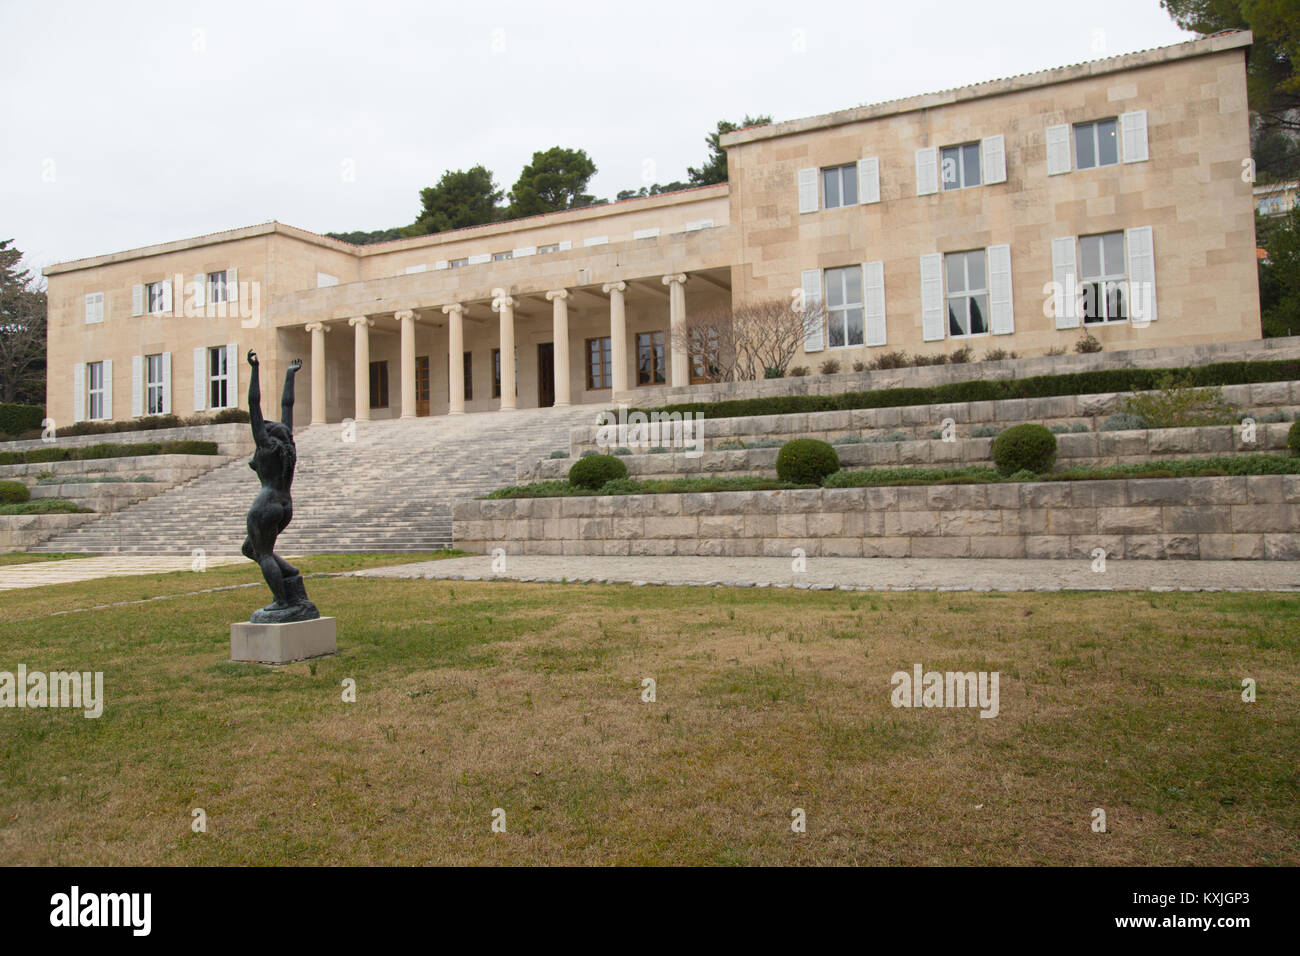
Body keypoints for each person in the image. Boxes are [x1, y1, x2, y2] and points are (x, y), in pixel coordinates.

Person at [242, 351, 316, 621]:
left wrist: (254, 370)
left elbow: (254, 404)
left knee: (261, 554)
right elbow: (288, 406)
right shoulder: (287, 444)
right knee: (251, 549)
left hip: (265, 504)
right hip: (286, 504)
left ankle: (281, 601)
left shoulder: (266, 444)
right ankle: (292, 577)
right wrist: (289, 375)